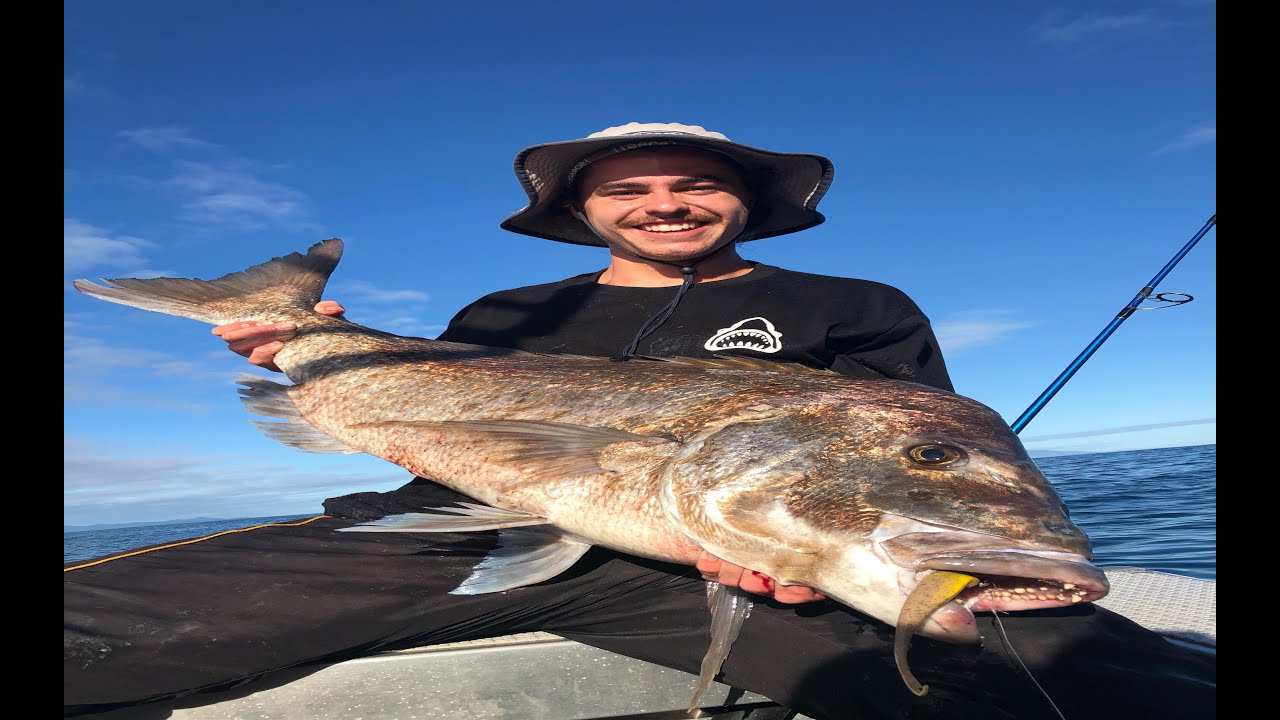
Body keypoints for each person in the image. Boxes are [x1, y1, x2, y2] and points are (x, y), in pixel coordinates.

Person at [65, 122, 1215, 719]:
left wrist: (796, 541)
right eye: (627, 187)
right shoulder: (506, 314)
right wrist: (303, 346)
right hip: (456, 535)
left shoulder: (854, 306)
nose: (664, 201)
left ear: (744, 199)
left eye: (693, 183)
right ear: (579, 210)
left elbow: (925, 453)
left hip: (731, 571)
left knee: (1116, 689)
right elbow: (437, 416)